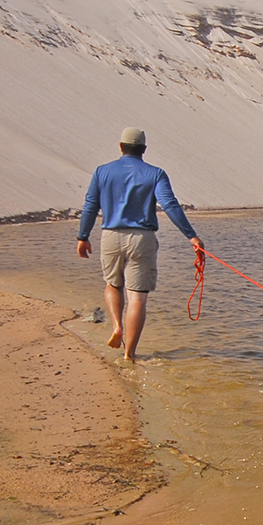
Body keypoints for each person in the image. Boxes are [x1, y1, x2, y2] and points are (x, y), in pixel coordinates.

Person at [74, 127, 203, 362]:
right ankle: (129, 353)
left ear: (121, 147)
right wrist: (191, 236)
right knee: (137, 298)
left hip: (111, 235)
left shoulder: (102, 172)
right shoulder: (156, 174)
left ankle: (116, 327)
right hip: (142, 239)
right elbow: (170, 205)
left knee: (113, 285)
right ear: (144, 150)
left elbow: (91, 205)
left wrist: (83, 237)